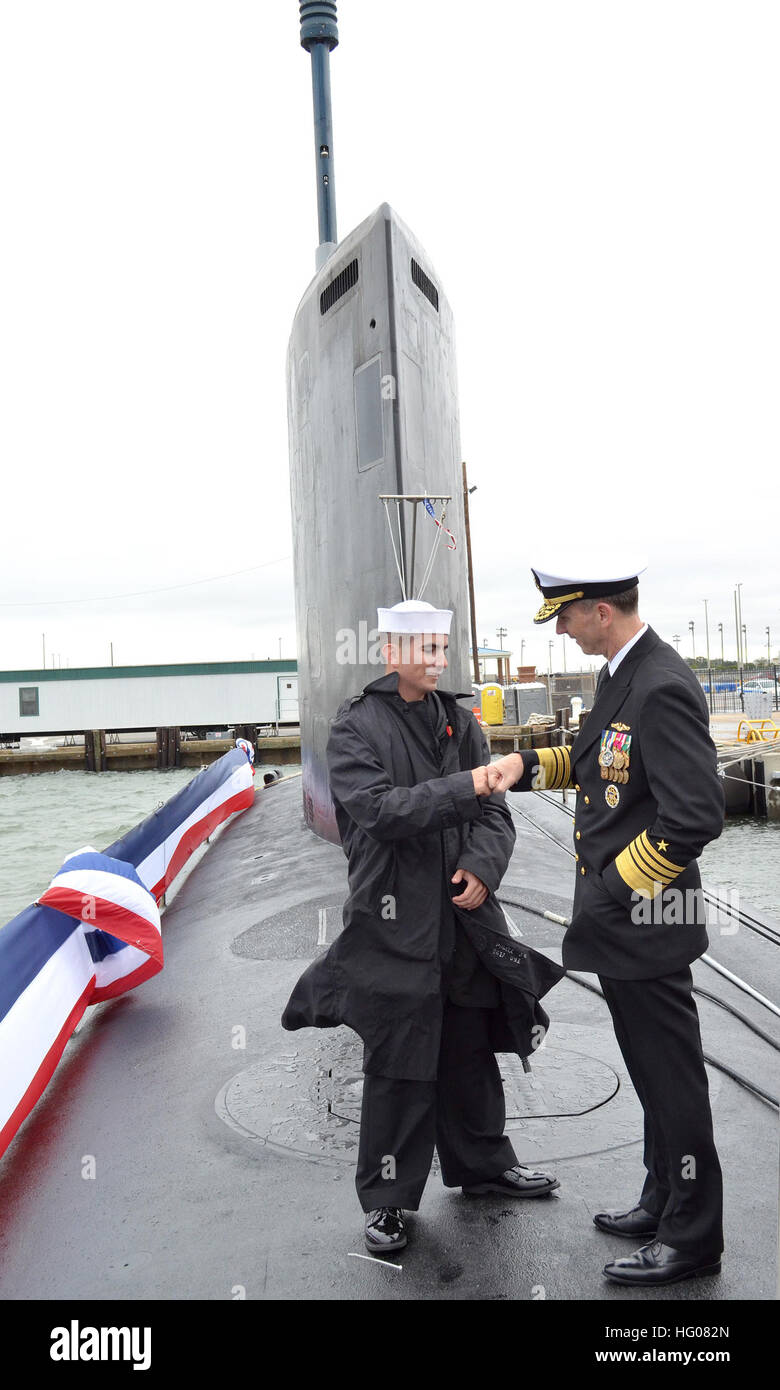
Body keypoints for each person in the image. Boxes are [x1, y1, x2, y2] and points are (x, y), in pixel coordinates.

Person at [282, 599, 563, 1253]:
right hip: (395, 916)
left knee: (467, 1045)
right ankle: (386, 1201)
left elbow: (495, 814)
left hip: (462, 918)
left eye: (441, 648)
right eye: (424, 649)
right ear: (390, 653)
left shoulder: (461, 722)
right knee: (401, 1056)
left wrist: (482, 867)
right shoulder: (357, 730)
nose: (437, 660)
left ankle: (485, 1167)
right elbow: (383, 812)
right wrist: (467, 785)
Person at [486, 562, 725, 1287]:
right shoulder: (623, 674)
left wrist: (618, 888)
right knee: (654, 1077)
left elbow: (696, 816)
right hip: (626, 929)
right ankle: (662, 1196)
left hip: (645, 924)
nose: (558, 629)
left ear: (597, 611)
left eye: (564, 616)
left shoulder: (661, 685)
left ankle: (693, 1236)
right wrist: (523, 766)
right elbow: (600, 769)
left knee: (673, 1080)